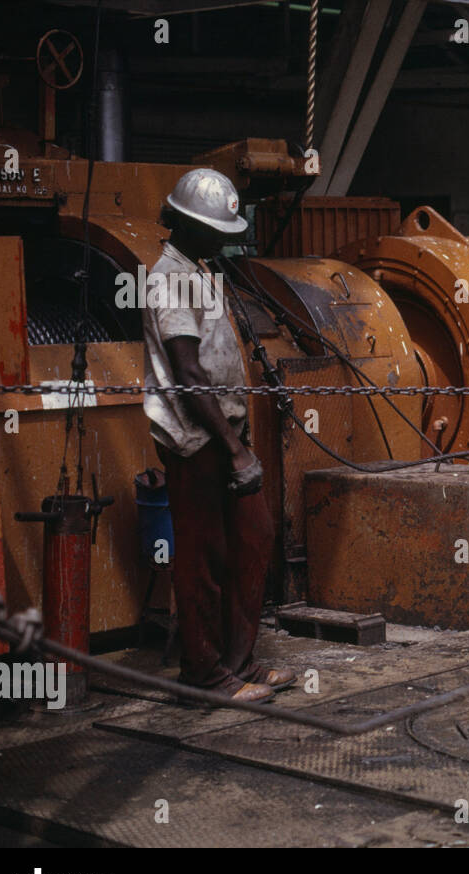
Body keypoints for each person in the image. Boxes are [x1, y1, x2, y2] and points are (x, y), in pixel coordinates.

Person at [142, 168, 294, 703]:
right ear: (187, 224)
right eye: (217, 229)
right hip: (198, 440)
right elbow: (186, 373)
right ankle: (204, 677)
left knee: (252, 540)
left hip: (225, 432)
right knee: (203, 558)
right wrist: (233, 452)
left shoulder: (200, 269)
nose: (225, 238)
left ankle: (238, 663)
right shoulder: (169, 278)